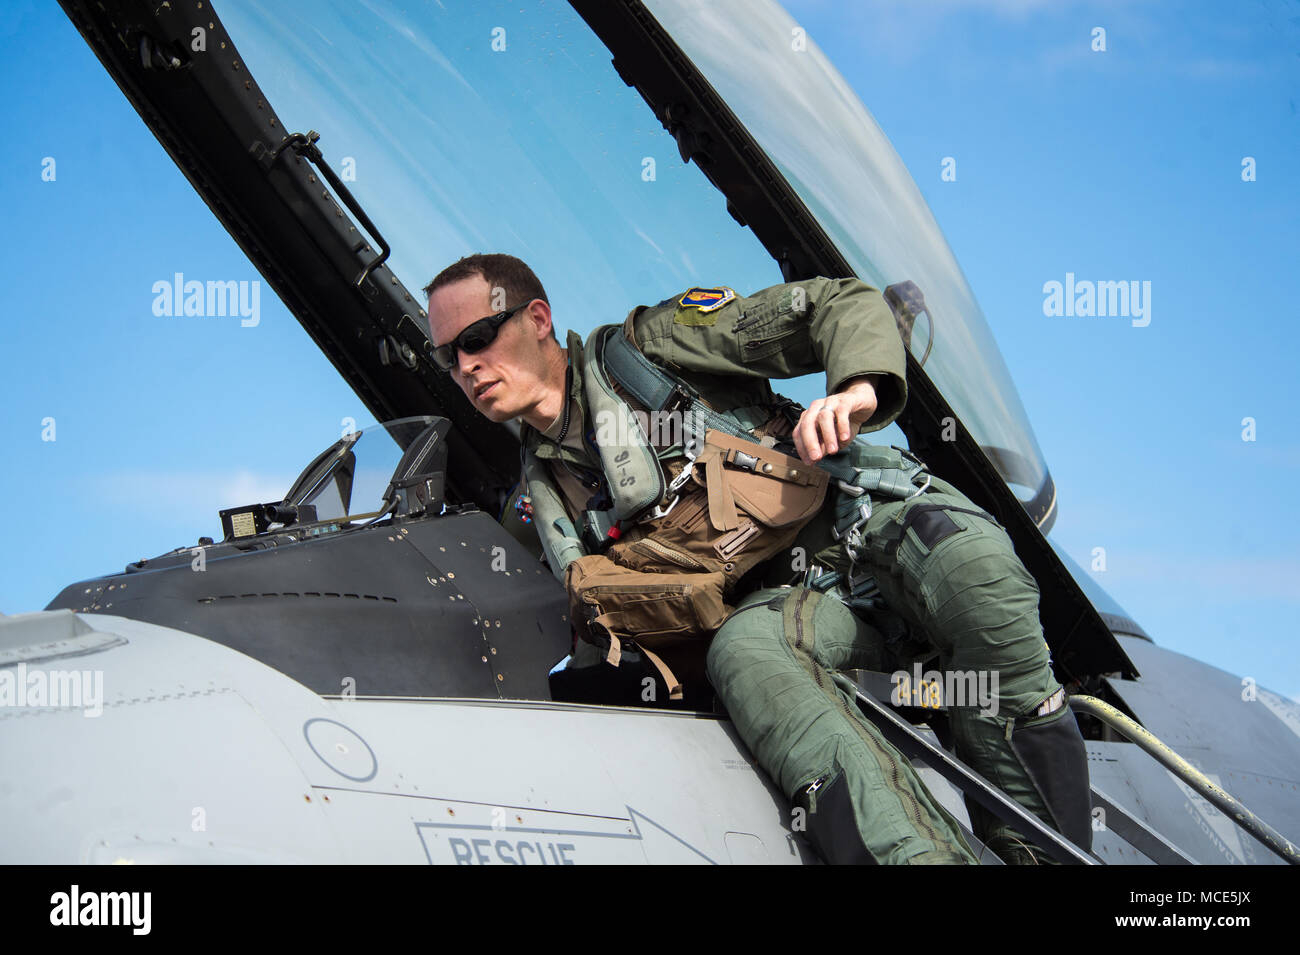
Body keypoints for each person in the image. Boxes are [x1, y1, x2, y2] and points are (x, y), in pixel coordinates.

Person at [424, 252, 1092, 865]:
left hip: (865, 522)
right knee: (744, 655)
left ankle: (1048, 854)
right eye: (449, 357)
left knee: (972, 567)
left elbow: (837, 303)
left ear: (537, 318)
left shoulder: (651, 350)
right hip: (797, 611)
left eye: (477, 338)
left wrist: (855, 391)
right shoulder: (543, 512)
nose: (467, 367)